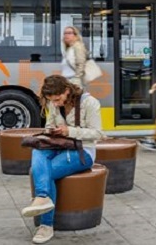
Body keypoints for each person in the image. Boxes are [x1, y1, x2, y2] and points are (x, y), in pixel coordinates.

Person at [20, 75, 104, 244]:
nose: (56, 104)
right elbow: (49, 125)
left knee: (46, 171)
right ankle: (43, 197)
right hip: (58, 146)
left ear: (67, 91)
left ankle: (46, 225)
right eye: (52, 100)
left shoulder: (90, 103)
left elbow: (98, 134)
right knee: (38, 150)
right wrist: (51, 130)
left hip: (82, 151)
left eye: (58, 99)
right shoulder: (53, 103)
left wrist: (70, 131)